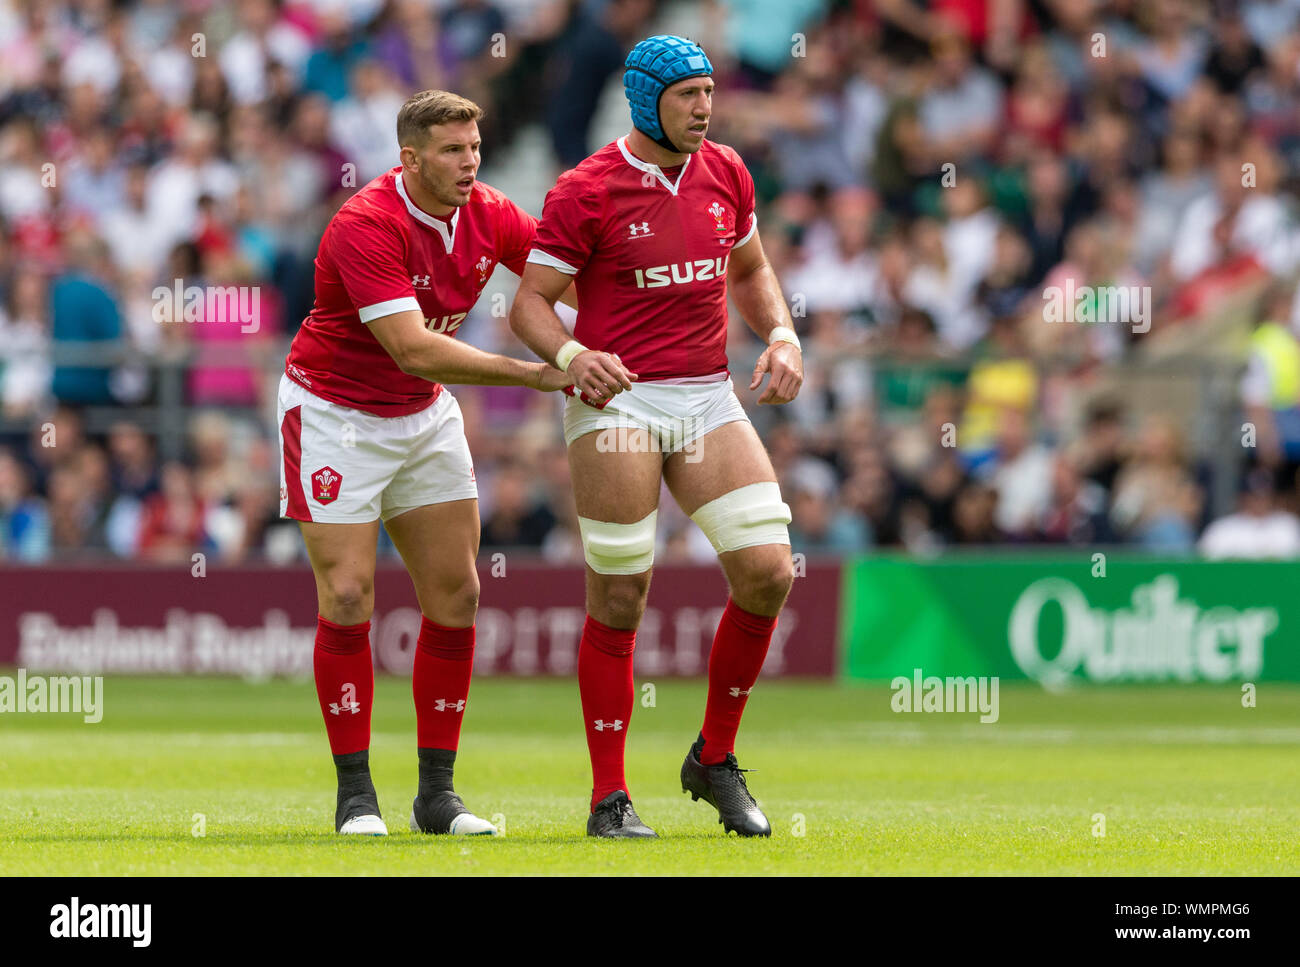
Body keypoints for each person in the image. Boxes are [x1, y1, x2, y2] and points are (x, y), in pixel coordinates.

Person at [509, 36, 803, 838]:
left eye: (709, 91)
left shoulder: (728, 172)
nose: (705, 107)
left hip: (707, 395)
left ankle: (714, 757)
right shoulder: (587, 189)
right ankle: (610, 796)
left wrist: (782, 336)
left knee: (769, 572)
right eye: (687, 95)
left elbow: (749, 272)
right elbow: (528, 305)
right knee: (619, 592)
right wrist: (572, 356)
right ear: (645, 100)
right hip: (620, 402)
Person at [278, 89, 569, 837]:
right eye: (452, 150)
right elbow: (412, 346)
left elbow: (560, 273)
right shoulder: (365, 224)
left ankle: (436, 795)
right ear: (410, 159)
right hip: (334, 414)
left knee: (458, 594)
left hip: (421, 414)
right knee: (346, 596)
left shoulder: (493, 212)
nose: (470, 161)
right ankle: (355, 796)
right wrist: (537, 372)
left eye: (474, 147)